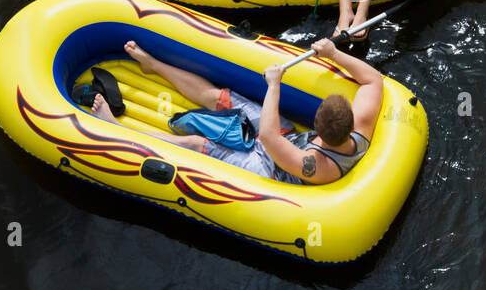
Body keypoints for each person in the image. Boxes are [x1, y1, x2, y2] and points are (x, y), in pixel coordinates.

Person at [89, 38, 383, 186]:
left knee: (195, 145)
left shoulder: (317, 165)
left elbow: (268, 137)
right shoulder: (359, 129)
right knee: (220, 99)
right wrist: (333, 53)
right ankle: (154, 66)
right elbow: (373, 80)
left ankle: (120, 128)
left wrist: (274, 84)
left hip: (268, 167)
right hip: (287, 140)